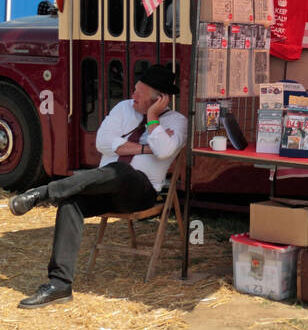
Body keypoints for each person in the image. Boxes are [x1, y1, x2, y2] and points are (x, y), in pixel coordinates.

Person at [11, 64, 187, 308]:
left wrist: (152, 120)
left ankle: (43, 193)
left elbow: (166, 150)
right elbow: (103, 143)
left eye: (139, 93)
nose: (132, 96)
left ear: (158, 99)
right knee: (71, 202)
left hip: (139, 192)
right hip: (106, 186)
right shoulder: (123, 108)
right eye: (134, 90)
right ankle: (59, 285)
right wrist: (146, 148)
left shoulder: (177, 122)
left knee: (122, 170)